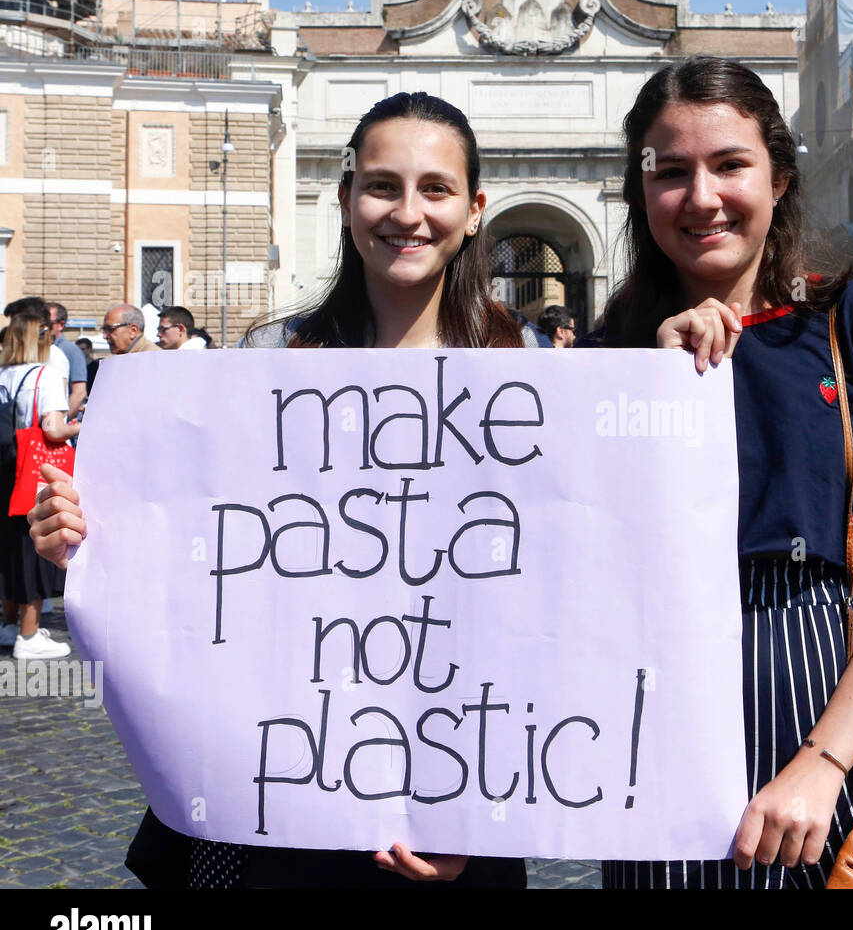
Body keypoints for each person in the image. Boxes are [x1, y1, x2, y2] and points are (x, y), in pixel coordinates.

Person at [29, 92, 526, 889]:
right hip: (277, 791)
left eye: (435, 189)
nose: (407, 212)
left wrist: (478, 805)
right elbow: (202, 561)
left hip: (455, 797)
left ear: (473, 210)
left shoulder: (532, 381)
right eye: (381, 185)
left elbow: (552, 611)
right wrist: (86, 536)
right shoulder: (266, 363)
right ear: (344, 201)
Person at [587, 56, 853, 887]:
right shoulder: (606, 357)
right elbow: (583, 575)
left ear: (781, 176)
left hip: (836, 729)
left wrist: (825, 760)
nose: (702, 196)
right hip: (661, 751)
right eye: (671, 171)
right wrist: (649, 394)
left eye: (730, 165)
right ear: (639, 190)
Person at [0, 312, 79, 657]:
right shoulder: (45, 374)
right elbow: (53, 429)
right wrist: (81, 425)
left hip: (5, 469)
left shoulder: (3, 373)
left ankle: (8, 624)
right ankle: (29, 635)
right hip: (31, 470)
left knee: (7, 551)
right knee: (35, 548)